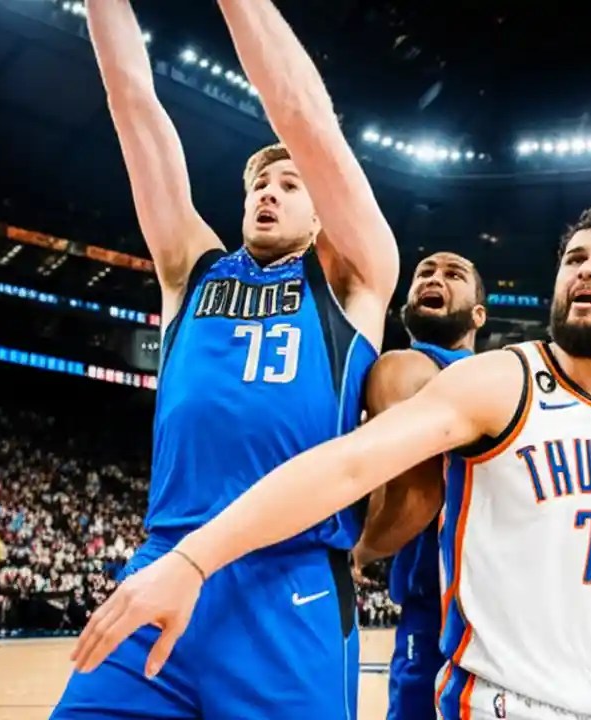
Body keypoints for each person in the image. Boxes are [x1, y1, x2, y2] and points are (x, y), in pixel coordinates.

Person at [69, 206, 591, 719]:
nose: (586, 271)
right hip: (498, 704)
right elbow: (342, 468)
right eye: (573, 261)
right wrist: (191, 558)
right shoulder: (501, 380)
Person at [52, 0, 398, 718]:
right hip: (162, 565)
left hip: (290, 580)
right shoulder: (190, 270)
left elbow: (302, 113)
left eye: (289, 185)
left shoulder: (353, 277)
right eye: (259, 186)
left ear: (320, 209)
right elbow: (131, 99)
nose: (269, 192)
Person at [352, 252, 486, 720]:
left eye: (455, 273)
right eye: (425, 272)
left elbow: (417, 495)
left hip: (440, 609)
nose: (435, 277)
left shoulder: (406, 367)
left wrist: (359, 551)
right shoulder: (506, 383)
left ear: (478, 314)